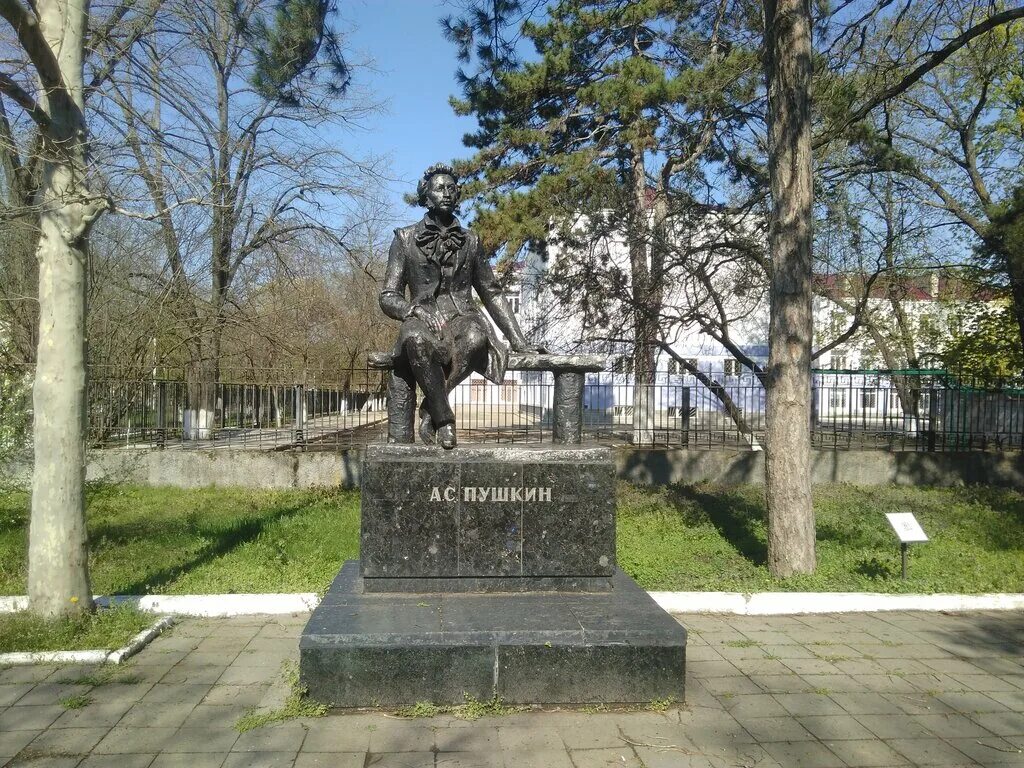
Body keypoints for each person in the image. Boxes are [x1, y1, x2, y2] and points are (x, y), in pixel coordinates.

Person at [379, 163, 539, 449]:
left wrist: (518, 340)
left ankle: (432, 405)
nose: (447, 193)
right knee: (415, 339)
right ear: (425, 195)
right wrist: (411, 310)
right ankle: (445, 420)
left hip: (462, 314)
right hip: (423, 315)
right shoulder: (404, 239)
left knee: (477, 337)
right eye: (439, 188)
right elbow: (388, 295)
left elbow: (491, 291)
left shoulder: (471, 240)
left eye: (452, 188)